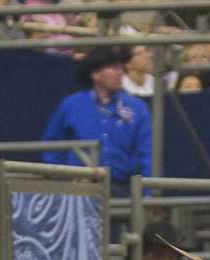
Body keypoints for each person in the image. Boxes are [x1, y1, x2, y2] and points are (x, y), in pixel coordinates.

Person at [41, 46, 152, 196]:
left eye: (121, 68)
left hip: (122, 188)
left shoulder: (137, 108)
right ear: (95, 74)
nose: (120, 73)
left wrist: (148, 193)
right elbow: (52, 145)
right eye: (113, 68)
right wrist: (61, 182)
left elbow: (146, 153)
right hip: (79, 188)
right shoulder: (71, 105)